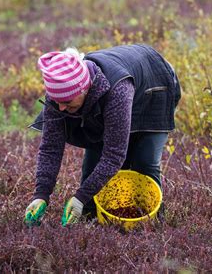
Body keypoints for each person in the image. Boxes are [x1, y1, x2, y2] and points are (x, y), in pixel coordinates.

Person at [24, 44, 181, 226]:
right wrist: (41, 194)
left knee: (144, 161)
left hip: (155, 85)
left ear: (84, 88)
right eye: (57, 102)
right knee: (94, 160)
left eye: (67, 102)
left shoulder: (118, 90)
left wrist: (80, 197)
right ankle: (89, 218)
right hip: (120, 90)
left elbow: (114, 155)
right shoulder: (58, 92)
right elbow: (51, 148)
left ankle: (152, 222)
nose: (61, 108)